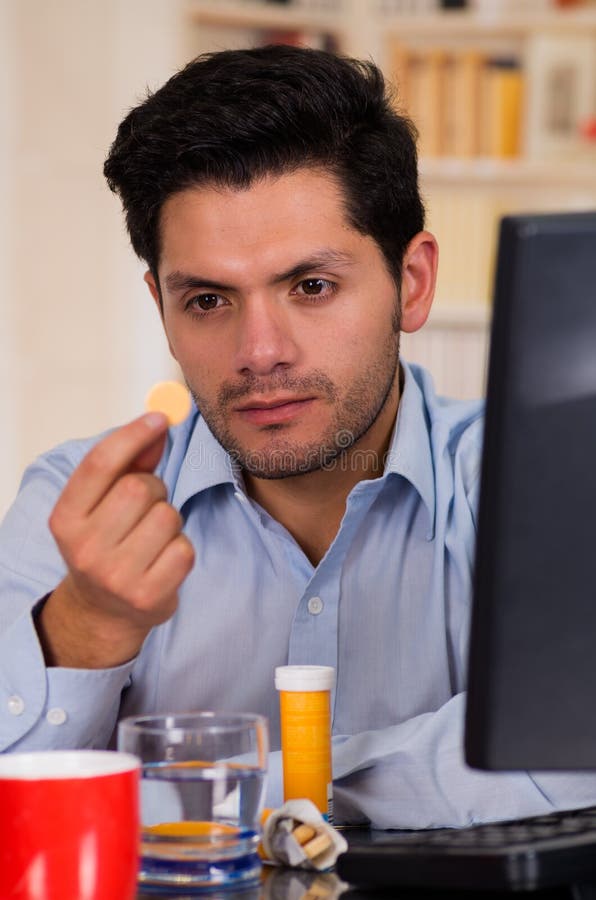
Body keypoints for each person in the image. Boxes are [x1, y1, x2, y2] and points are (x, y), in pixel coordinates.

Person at [1, 45, 595, 829]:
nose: (260, 352)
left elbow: (573, 756)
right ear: (161, 308)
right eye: (209, 299)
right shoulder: (76, 507)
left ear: (411, 283)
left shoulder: (544, 486)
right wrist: (89, 625)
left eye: (311, 286)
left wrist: (243, 791)